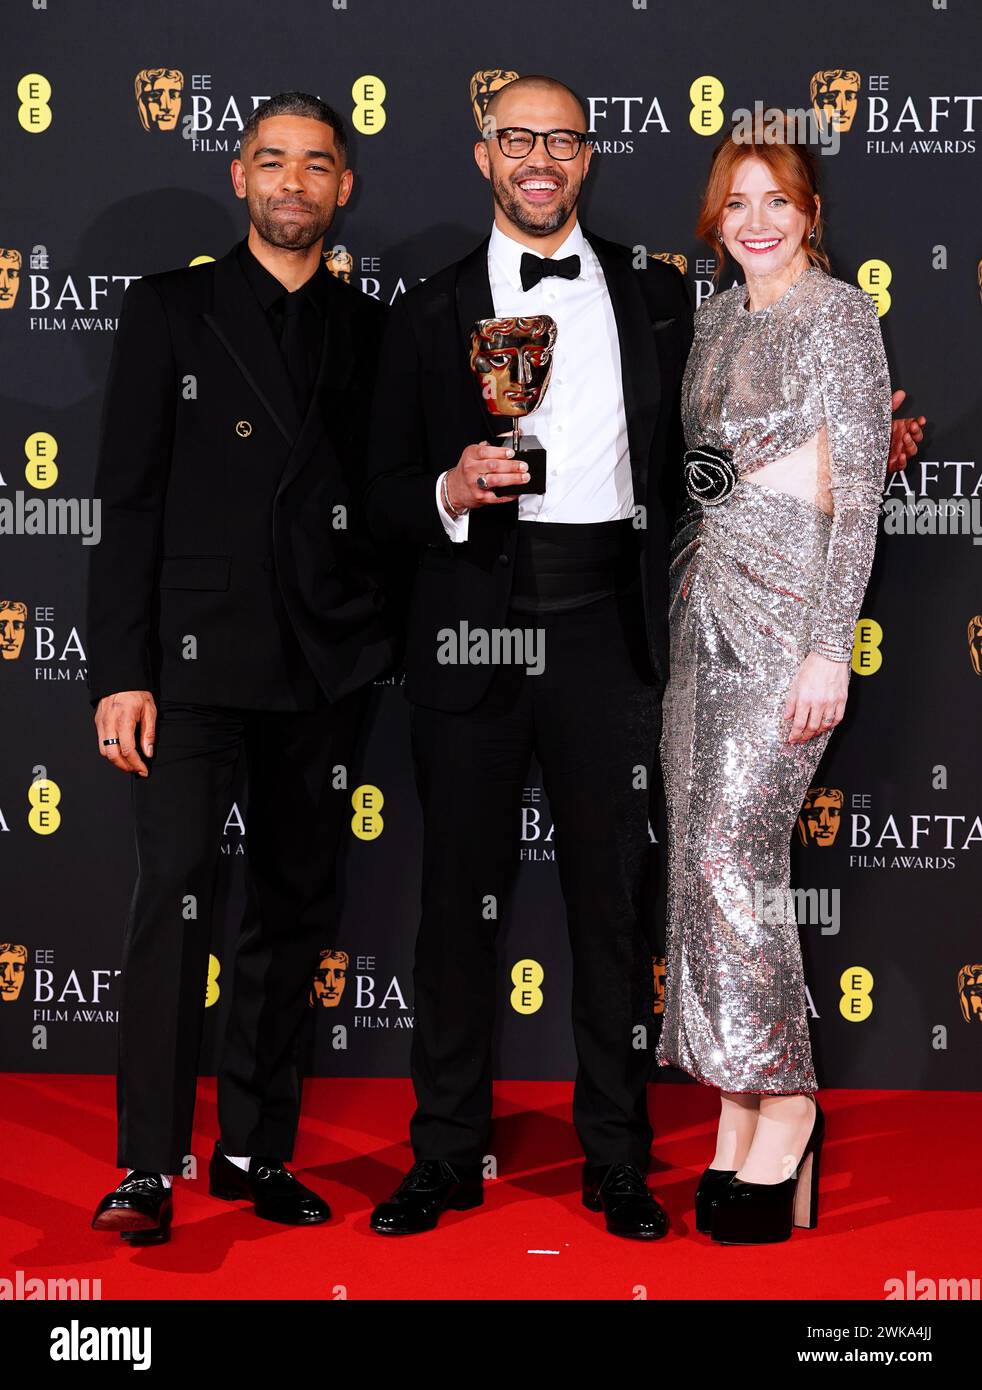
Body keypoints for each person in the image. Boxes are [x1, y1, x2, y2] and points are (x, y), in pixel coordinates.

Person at [363, 74, 693, 1239]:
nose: (538, 158)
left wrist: (855, 444)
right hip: (471, 621)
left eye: (559, 139)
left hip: (607, 624)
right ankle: (447, 1153)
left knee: (613, 907)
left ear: (589, 155)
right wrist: (451, 488)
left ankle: (616, 1158)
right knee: (457, 904)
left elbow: (716, 443)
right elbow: (379, 488)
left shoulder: (657, 297)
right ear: (481, 155)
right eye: (517, 139)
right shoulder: (426, 308)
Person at [86, 92, 393, 1245]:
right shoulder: (170, 311)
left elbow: (390, 500)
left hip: (321, 664)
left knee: (288, 910)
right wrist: (122, 669)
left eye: (316, 166)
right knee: (172, 905)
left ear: (343, 187)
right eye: (273, 162)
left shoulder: (371, 332)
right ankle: (147, 1168)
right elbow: (128, 502)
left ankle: (256, 1148)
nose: (293, 184)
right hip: (191, 665)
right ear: (239, 177)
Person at [655, 115, 898, 1244]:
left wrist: (825, 646)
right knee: (696, 868)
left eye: (777, 202)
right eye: (736, 203)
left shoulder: (841, 315)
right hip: (701, 612)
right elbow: (705, 472)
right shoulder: (710, 321)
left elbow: (854, 500)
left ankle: (788, 1100)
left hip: (790, 614)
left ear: (809, 215)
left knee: (731, 856)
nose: (755, 222)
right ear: (717, 219)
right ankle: (736, 1103)